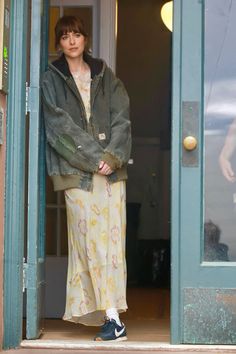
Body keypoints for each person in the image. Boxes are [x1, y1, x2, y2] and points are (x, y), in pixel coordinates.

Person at [41, 15, 131, 342]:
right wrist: (96, 159)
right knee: (89, 244)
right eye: (65, 36)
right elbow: (58, 128)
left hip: (111, 173)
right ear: (58, 43)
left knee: (111, 246)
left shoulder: (107, 76)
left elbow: (123, 120)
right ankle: (110, 317)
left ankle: (113, 317)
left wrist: (112, 158)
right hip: (76, 175)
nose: (72, 41)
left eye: (77, 34)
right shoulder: (51, 80)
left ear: (85, 39)